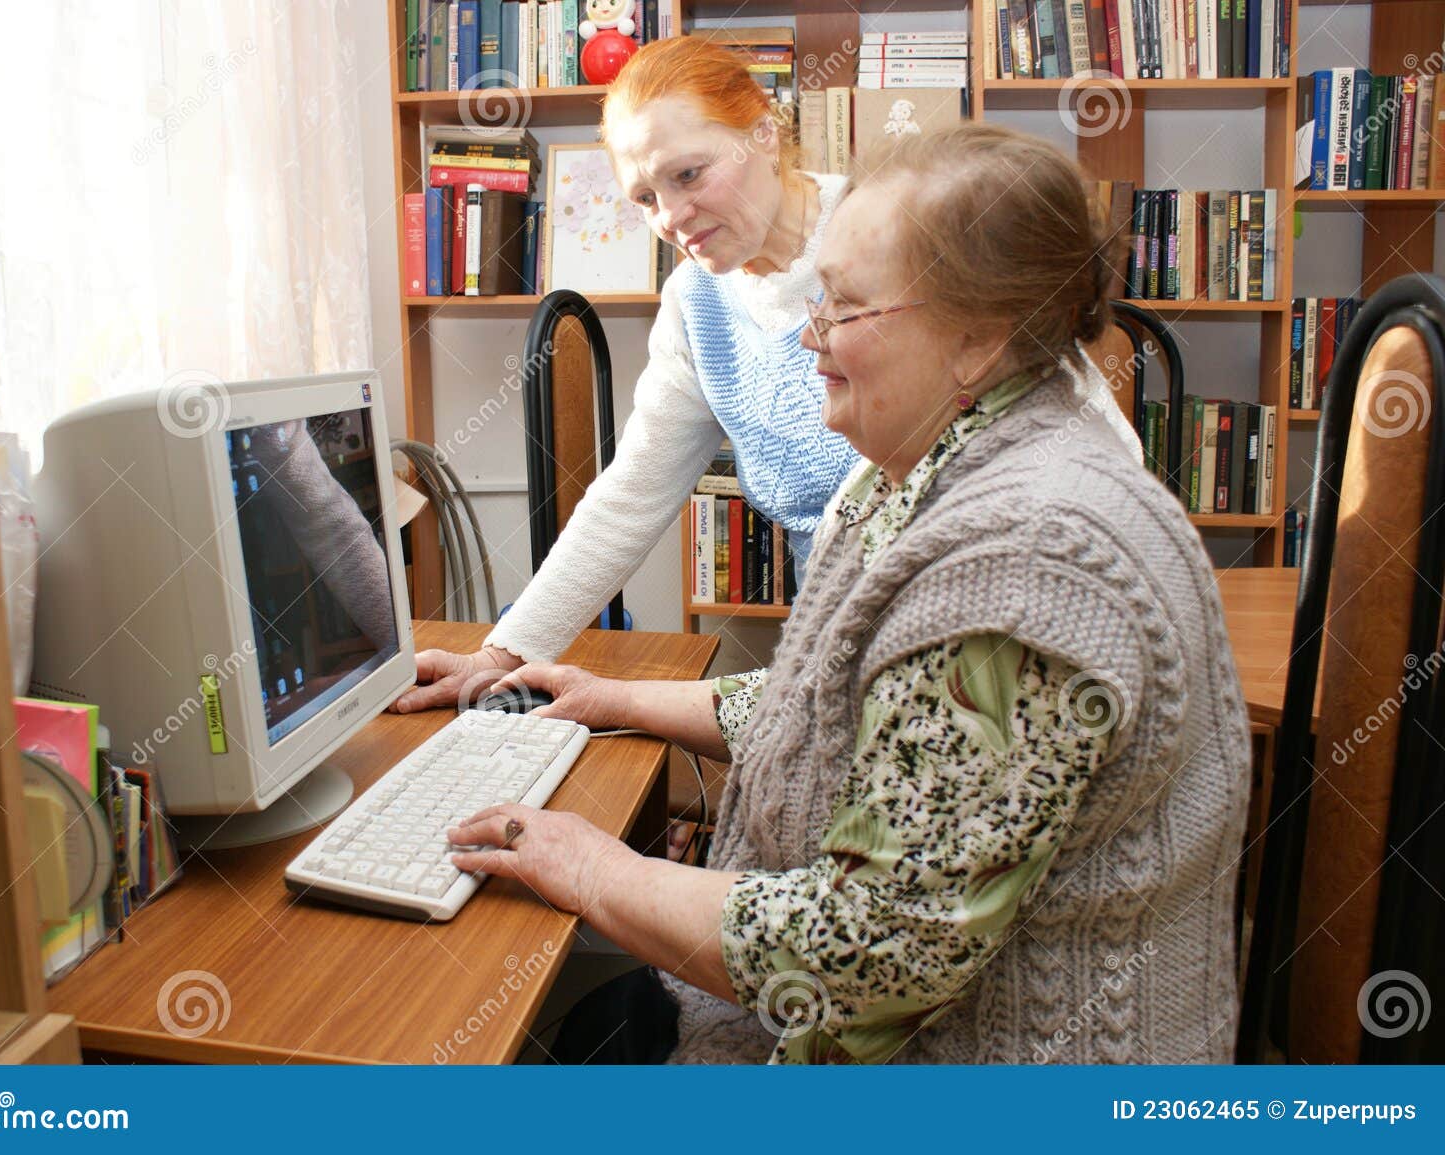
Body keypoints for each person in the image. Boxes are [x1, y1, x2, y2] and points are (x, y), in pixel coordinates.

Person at [445, 123, 1252, 1065]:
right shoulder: (916, 468)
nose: (806, 335)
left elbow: (872, 949)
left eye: (844, 306)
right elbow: (843, 707)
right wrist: (614, 698)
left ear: (978, 340)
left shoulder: (1025, 565)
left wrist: (587, 863)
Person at [393, 39, 1137, 721]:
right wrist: (504, 653)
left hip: (985, 631)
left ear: (762, 129)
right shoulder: (698, 300)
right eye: (646, 199)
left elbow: (1083, 431)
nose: (674, 216)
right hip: (838, 653)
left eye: (689, 174)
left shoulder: (892, 224)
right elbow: (633, 491)